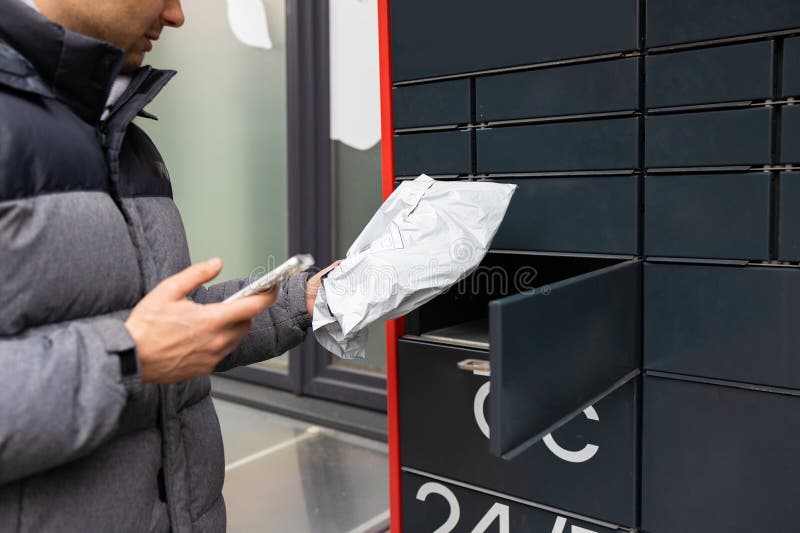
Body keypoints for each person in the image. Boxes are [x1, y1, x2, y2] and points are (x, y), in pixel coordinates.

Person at [0, 0, 336, 530]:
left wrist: (307, 298)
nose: (178, 15)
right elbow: (144, 343)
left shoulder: (121, 134)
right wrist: (127, 359)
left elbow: (166, 326)